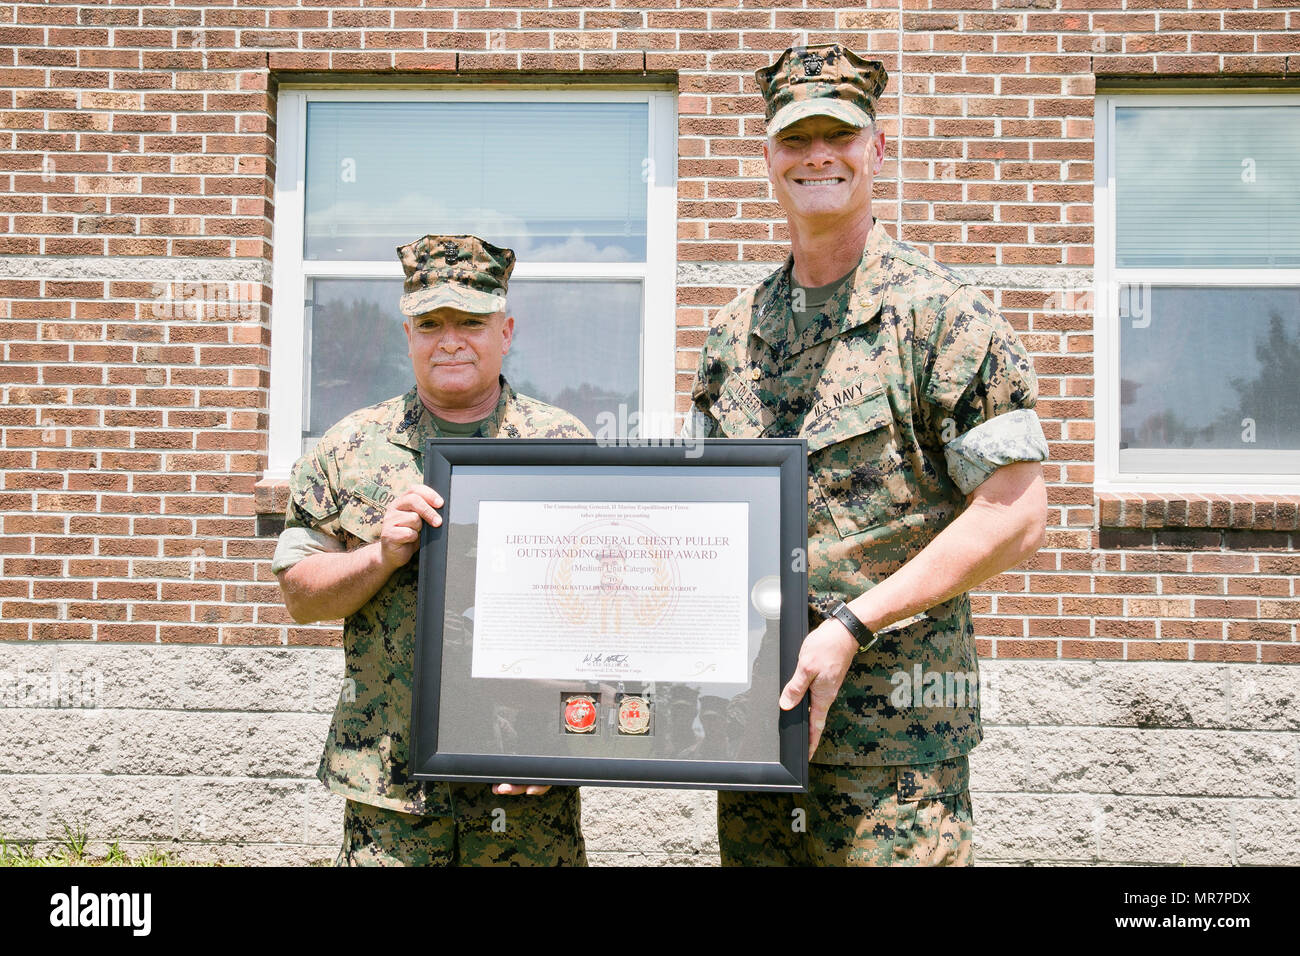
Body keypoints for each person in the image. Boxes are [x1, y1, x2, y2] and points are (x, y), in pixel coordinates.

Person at [685, 45, 1049, 866]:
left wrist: (853, 622)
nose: (818, 154)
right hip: (756, 735)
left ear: (877, 149)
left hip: (895, 751)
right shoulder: (731, 333)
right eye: (795, 137)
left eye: (839, 134)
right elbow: (702, 517)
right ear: (768, 159)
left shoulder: (946, 319)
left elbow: (1018, 514)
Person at [273, 234, 590, 866]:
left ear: (506, 331)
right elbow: (299, 596)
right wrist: (379, 555)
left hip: (521, 781)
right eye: (430, 323)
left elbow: (609, 610)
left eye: (471, 321)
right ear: (407, 334)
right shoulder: (348, 447)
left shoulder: (563, 444)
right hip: (393, 792)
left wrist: (566, 741)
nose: (450, 339)